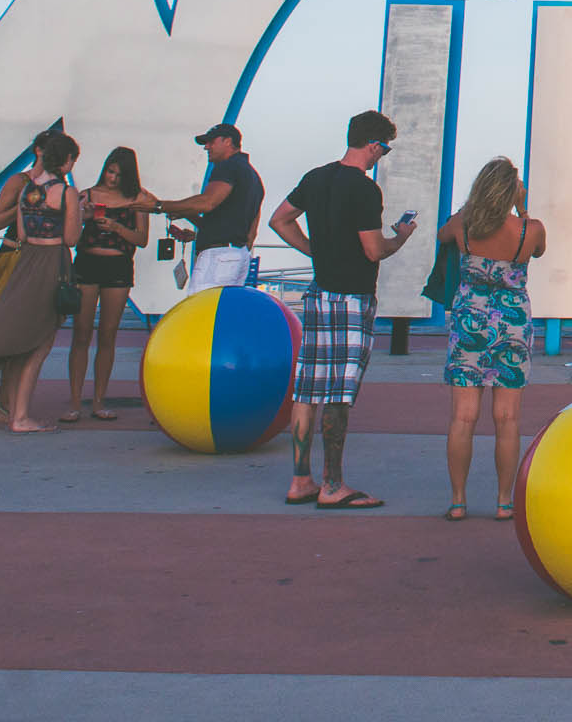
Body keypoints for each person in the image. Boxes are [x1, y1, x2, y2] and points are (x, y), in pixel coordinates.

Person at [267, 109, 416, 509]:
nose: (383, 156)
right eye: (385, 149)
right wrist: (399, 239)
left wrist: (315, 251)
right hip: (351, 299)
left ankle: (301, 479)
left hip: (320, 293)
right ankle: (333, 484)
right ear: (374, 145)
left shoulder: (315, 177)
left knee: (308, 388)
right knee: (338, 391)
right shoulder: (365, 190)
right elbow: (373, 250)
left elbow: (280, 220)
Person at [435, 157, 544, 522]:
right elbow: (540, 251)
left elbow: (441, 236)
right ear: (513, 191)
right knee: (507, 418)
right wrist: (523, 207)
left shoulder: (463, 224)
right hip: (512, 329)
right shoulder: (530, 230)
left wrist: (472, 206)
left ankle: (457, 500)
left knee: (463, 418)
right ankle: (502, 502)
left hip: (469, 322)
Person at [0, 127, 83, 433]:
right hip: (52, 263)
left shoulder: (25, 191)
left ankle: (12, 410)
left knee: (18, 334)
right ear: (67, 160)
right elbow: (70, 238)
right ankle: (20, 416)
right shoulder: (66, 193)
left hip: (26, 261)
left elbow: (21, 232)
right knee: (40, 343)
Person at [62, 146, 156, 422]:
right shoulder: (86, 196)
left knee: (108, 334)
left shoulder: (137, 199)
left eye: (118, 173)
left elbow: (141, 239)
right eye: (110, 171)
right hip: (88, 263)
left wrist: (116, 227)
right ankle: (75, 402)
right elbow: (73, 236)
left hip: (118, 265)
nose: (112, 178)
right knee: (81, 333)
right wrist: (84, 216)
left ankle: (99, 401)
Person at [160, 123, 266, 291]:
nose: (206, 147)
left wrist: (160, 205)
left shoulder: (227, 166)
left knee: (200, 311)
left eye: (210, 142)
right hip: (239, 255)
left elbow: (208, 202)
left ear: (228, 142)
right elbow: (248, 231)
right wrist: (185, 214)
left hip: (219, 258)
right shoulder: (253, 176)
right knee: (222, 312)